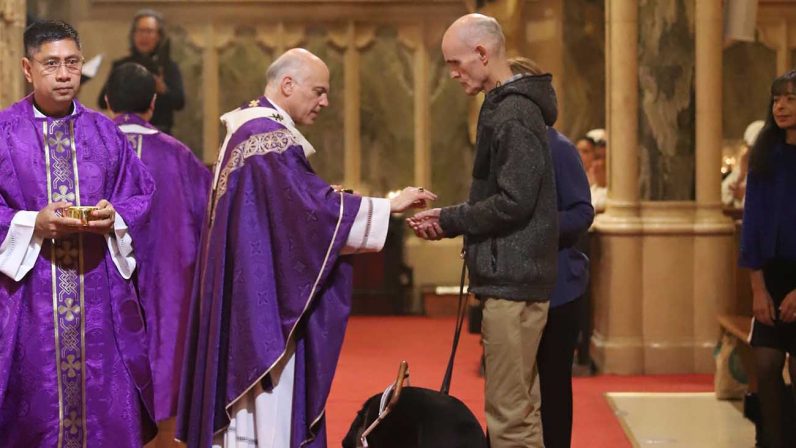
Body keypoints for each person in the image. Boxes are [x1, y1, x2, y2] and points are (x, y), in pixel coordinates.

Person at [175, 48, 436, 448]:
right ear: (287, 85)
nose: (325, 101)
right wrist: (389, 205)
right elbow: (311, 214)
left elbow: (286, 210)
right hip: (264, 308)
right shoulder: (267, 138)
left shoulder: (246, 129)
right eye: (319, 91)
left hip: (249, 292)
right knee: (267, 417)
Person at [0, 20, 157, 446]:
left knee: (101, 409)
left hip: (97, 301)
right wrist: (32, 223)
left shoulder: (105, 132)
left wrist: (115, 216)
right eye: (51, 64)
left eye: (72, 62)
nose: (65, 74)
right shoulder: (4, 131)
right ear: (28, 69)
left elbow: (139, 194)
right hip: (29, 302)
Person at [408, 14, 559, 447]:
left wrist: (451, 219)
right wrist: (451, 219)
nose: (453, 74)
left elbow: (515, 201)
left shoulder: (512, 111)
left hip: (514, 279)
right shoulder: (506, 105)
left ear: (482, 53)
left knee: (509, 415)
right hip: (514, 274)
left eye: (456, 63)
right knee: (520, 407)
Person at [104, 62, 211, 425]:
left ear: (106, 101)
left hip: (103, 283)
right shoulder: (179, 155)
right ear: (153, 102)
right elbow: (210, 216)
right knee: (163, 364)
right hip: (167, 286)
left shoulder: (85, 151)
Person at [508, 56, 594, 448]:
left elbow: (582, 212)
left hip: (559, 289)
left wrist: (534, 227)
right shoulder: (504, 146)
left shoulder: (558, 148)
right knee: (513, 389)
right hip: (515, 284)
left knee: (553, 385)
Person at [740, 70, 796, 448]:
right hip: (772, 275)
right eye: (777, 98)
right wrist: (758, 289)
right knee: (765, 364)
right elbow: (752, 228)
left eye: (791, 98)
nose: (781, 105)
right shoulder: (764, 154)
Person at [98, 9, 185, 134]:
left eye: (149, 31)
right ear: (133, 35)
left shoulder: (168, 67)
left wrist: (163, 90)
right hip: (124, 133)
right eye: (140, 31)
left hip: (159, 134)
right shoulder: (122, 65)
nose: (144, 36)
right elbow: (102, 100)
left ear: (159, 36)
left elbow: (180, 102)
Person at [722, 120, 763, 209]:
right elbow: (723, 194)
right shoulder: (744, 163)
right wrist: (740, 177)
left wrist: (744, 196)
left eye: (752, 148)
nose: (749, 152)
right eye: (748, 147)